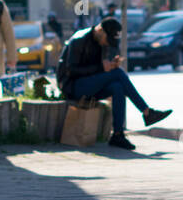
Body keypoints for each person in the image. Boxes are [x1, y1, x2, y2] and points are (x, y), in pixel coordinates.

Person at [57, 16, 171, 150]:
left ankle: (118, 135)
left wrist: (111, 64)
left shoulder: (101, 42)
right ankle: (147, 112)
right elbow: (71, 70)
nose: (107, 44)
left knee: (118, 87)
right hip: (73, 87)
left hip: (90, 85)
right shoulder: (79, 40)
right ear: (100, 30)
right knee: (118, 74)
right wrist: (102, 68)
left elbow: (99, 67)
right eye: (107, 40)